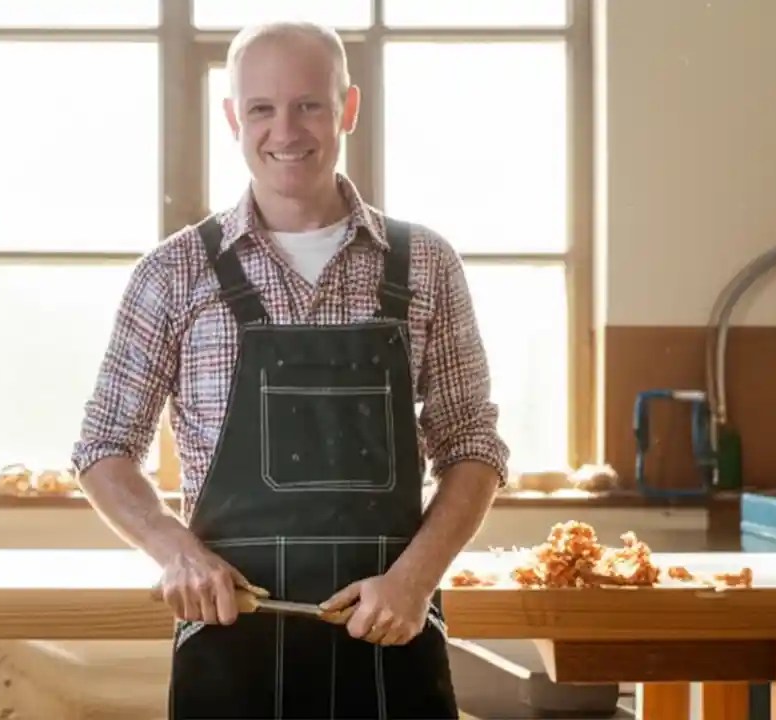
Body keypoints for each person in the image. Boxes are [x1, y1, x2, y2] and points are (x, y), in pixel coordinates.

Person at [72, 19, 509, 720]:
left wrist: (414, 581)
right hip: (229, 636)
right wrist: (175, 554)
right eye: (261, 109)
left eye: (309, 104)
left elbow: (472, 444)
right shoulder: (174, 272)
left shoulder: (425, 263)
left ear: (348, 108)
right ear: (231, 119)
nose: (286, 130)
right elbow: (103, 447)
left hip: (391, 629)